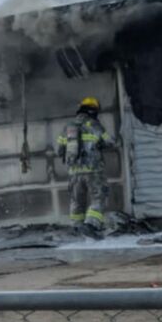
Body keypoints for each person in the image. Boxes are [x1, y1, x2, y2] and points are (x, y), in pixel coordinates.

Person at [56, 97, 115, 235]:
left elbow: (59, 150)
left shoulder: (68, 126)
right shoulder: (95, 125)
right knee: (99, 198)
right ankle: (91, 225)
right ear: (93, 111)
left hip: (74, 173)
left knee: (77, 202)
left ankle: (77, 228)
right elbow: (111, 142)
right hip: (93, 172)